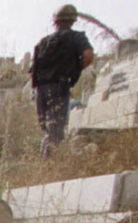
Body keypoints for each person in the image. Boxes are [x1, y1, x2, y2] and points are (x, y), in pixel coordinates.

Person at [31, 4, 95, 159]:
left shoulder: (43, 42)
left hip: (41, 91)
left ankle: (44, 164)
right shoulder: (77, 37)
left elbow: (33, 70)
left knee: (48, 131)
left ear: (56, 22)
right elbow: (88, 56)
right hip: (59, 88)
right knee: (56, 133)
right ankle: (49, 168)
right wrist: (75, 70)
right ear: (73, 21)